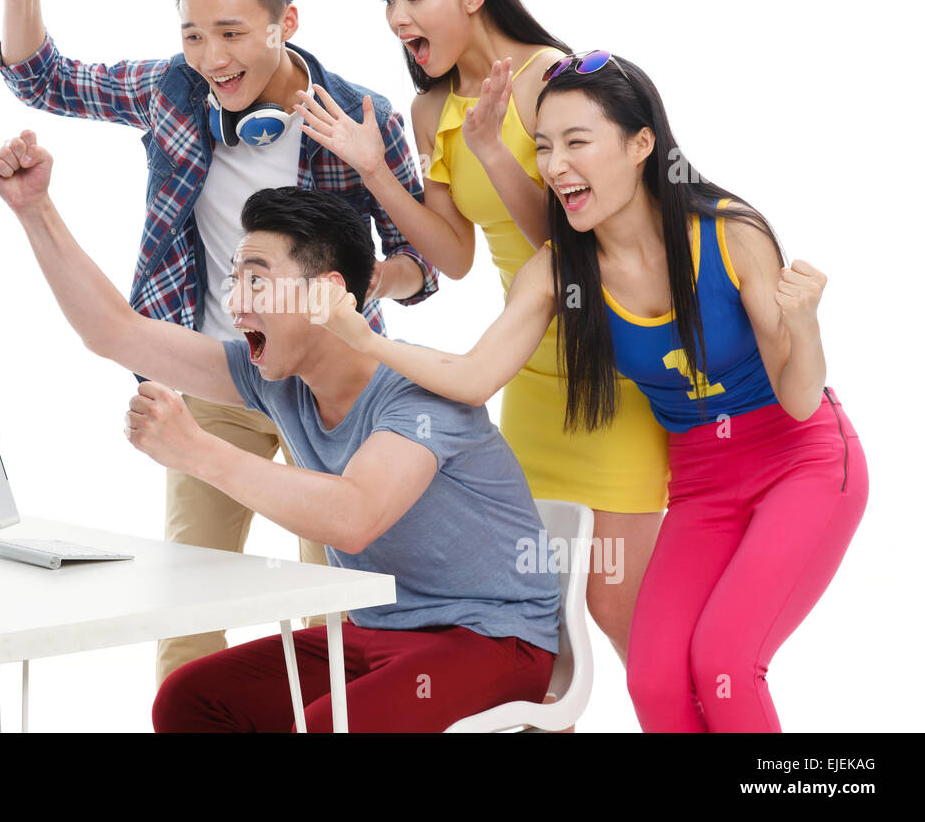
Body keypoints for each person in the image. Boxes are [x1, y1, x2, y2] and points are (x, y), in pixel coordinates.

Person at [314, 51, 867, 732]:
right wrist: (368, 343)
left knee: (724, 663)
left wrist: (804, 328)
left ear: (641, 145)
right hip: (702, 479)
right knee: (659, 681)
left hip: (802, 461)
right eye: (544, 146)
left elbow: (801, 399)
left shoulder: (729, 234)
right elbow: (475, 376)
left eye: (577, 142)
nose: (555, 165)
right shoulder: (560, 268)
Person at [0, 129, 559, 733]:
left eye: (256, 280)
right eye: (236, 280)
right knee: (191, 699)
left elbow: (354, 518)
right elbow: (114, 332)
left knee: (329, 726)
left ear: (326, 295)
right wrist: (35, 209)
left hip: (492, 637)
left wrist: (199, 450)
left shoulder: (417, 395)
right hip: (375, 631)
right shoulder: (275, 377)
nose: (236, 304)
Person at [0, 0, 438, 684]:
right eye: (195, 35)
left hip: (333, 392)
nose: (212, 58)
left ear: (285, 23)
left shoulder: (361, 117)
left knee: (330, 609)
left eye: (232, 33)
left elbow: (426, 256)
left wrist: (373, 285)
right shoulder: (173, 89)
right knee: (188, 601)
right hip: (216, 374)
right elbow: (45, 79)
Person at [292, 0, 667, 669]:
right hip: (522, 372)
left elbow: (574, 246)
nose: (399, 19)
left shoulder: (552, 79)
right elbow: (453, 254)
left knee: (616, 607)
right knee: (539, 609)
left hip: (608, 368)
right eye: (388, 2)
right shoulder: (432, 109)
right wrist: (374, 171)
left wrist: (496, 150)